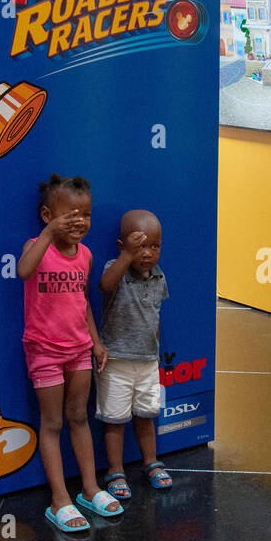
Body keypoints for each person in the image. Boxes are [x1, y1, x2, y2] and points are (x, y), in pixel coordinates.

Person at [18, 174, 119, 532]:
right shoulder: (36, 247)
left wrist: (96, 341)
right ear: (47, 216)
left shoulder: (87, 255)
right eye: (70, 215)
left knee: (79, 417)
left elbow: (84, 304)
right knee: (53, 423)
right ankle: (59, 498)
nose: (80, 222)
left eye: (86, 215)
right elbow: (22, 270)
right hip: (44, 350)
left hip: (79, 350)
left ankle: (89, 489)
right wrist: (47, 236)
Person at [96, 209, 172, 496]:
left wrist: (155, 350)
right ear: (122, 247)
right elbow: (105, 286)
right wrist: (125, 257)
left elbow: (156, 316)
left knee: (145, 415)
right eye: (139, 246)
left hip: (147, 362)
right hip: (115, 361)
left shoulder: (160, 276)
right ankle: (115, 470)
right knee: (115, 420)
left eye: (154, 246)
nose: (148, 253)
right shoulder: (115, 270)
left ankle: (151, 462)